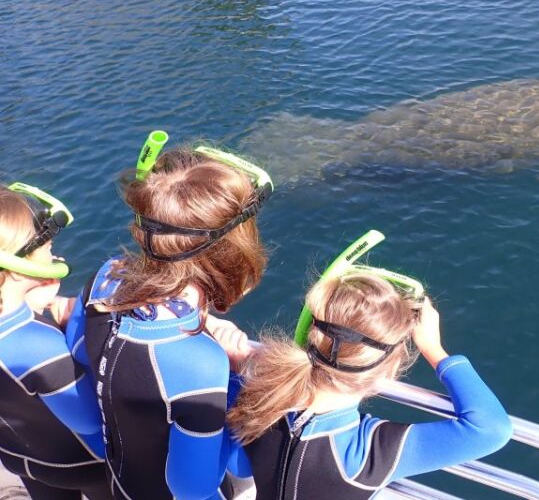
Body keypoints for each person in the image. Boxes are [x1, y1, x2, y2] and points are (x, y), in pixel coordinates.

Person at [66, 141, 272, 500]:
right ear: (233, 253)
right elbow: (194, 488)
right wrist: (238, 380)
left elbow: (83, 365)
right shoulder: (200, 364)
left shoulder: (107, 277)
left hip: (120, 479)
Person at [226, 268, 513, 499]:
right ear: (389, 370)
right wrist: (434, 350)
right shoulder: (367, 455)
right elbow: (491, 429)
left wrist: (240, 375)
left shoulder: (259, 403)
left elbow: (238, 464)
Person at [0, 183, 111, 500]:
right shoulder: (36, 344)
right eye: (47, 250)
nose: (55, 254)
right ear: (19, 269)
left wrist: (35, 304)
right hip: (81, 465)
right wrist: (79, 322)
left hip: (22, 460)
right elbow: (88, 420)